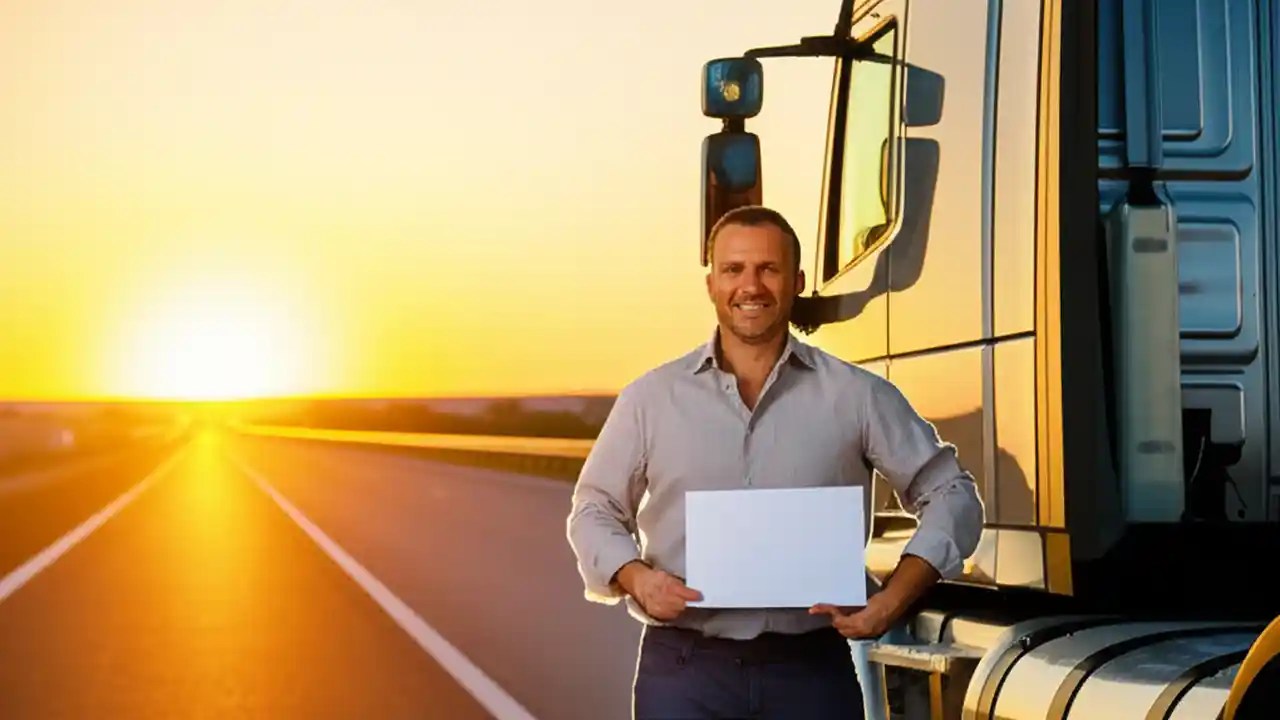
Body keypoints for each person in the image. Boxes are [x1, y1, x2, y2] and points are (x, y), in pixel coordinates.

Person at [566, 205, 985, 719]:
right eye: (734, 269)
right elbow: (594, 509)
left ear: (797, 280)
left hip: (810, 672)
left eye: (769, 269)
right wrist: (636, 577)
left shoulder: (858, 397)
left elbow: (952, 493)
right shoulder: (650, 400)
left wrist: (893, 598)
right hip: (683, 671)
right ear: (711, 284)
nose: (751, 286)